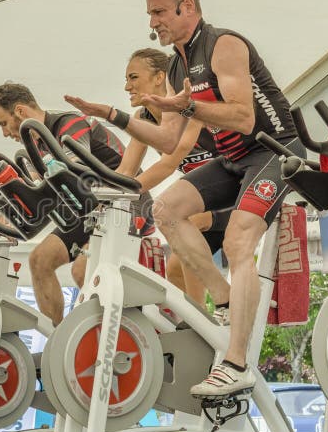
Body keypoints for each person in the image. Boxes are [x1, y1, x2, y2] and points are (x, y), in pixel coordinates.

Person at [72, 0, 303, 398]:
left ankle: (236, 364)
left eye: (159, 12)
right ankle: (226, 300)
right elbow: (168, 141)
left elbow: (243, 117)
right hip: (232, 159)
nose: (153, 22)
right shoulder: (178, 64)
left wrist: (188, 104)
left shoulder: (224, 44)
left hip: (275, 150)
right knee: (165, 210)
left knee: (237, 242)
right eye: (150, 14)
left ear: (188, 6)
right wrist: (111, 114)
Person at [65, 47, 231, 308]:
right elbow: (125, 171)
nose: (126, 86)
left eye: (133, 77)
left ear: (159, 77)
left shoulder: (188, 107)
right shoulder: (143, 117)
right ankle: (191, 321)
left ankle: (201, 318)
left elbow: (168, 163)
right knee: (174, 269)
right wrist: (100, 197)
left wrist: (122, 193)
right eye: (126, 79)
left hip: (232, 193)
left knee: (187, 221)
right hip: (202, 200)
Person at [0, 82, 154, 326]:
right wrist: (4, 220)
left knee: (83, 269)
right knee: (39, 260)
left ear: (20, 111)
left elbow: (75, 171)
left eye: (3, 123)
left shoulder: (69, 124)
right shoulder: (34, 146)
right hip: (91, 208)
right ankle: (58, 336)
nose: (4, 133)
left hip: (127, 202)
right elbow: (37, 193)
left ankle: (112, 333)